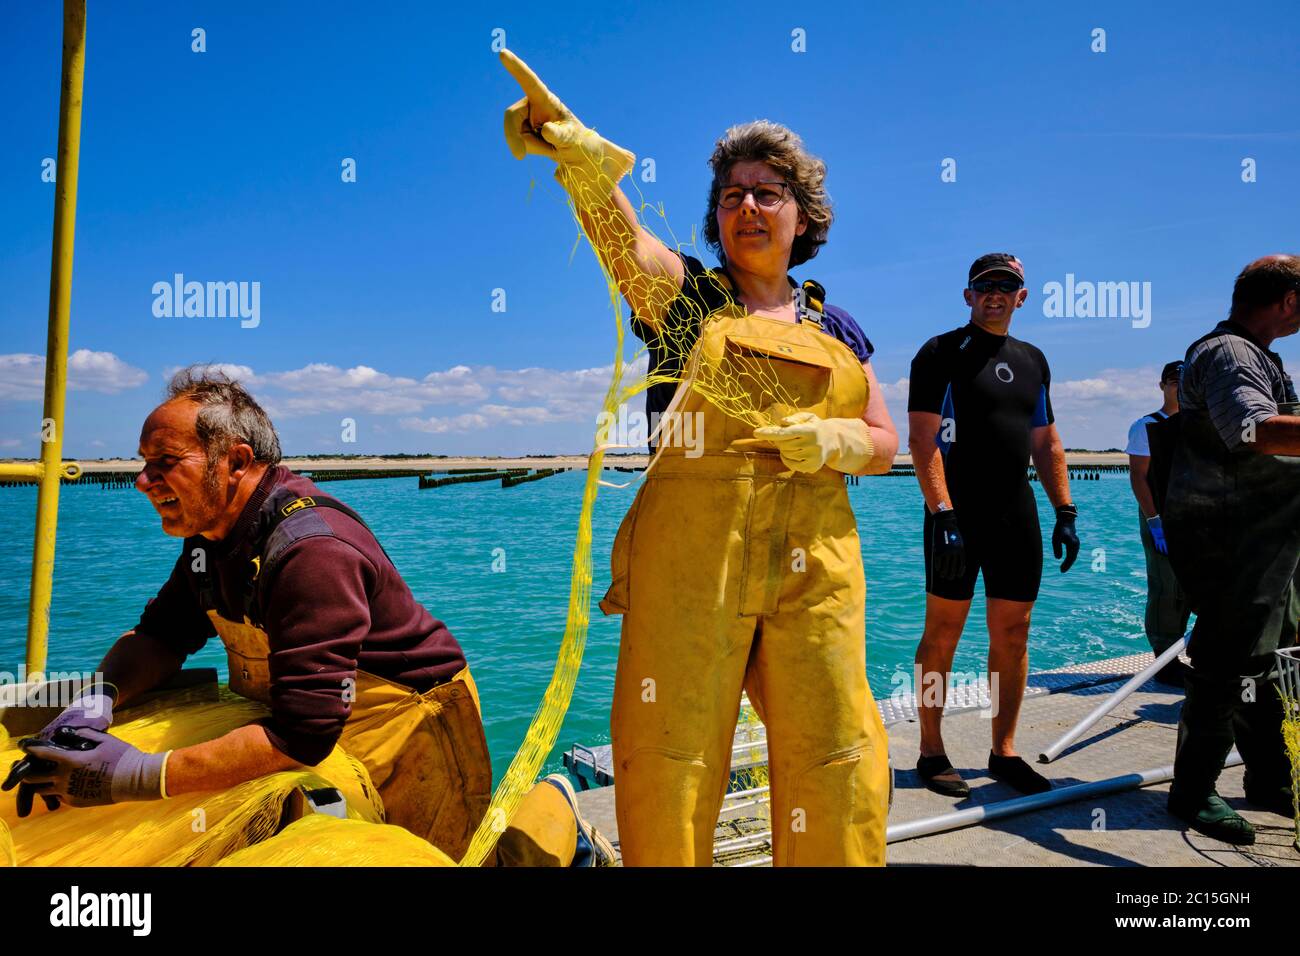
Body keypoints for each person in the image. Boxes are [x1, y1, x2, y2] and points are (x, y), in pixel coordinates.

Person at [501, 49, 896, 865]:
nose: (747, 206)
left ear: (803, 215)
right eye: (730, 195)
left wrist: (839, 440)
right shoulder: (687, 301)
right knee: (668, 760)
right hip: (693, 571)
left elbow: (887, 444)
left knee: (839, 756)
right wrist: (579, 157)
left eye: (767, 192)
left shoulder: (840, 329)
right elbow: (626, 244)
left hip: (814, 569)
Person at [3, 369, 607, 867]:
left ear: (235, 461)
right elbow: (161, 636)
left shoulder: (310, 553)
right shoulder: (210, 543)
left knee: (462, 864)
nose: (142, 482)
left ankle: (557, 811)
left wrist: (136, 774)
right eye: (143, 463)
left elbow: (301, 737)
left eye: (165, 462)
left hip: (402, 728)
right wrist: (101, 698)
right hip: (312, 729)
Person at [907, 254, 1080, 798]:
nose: (996, 295)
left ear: (1022, 297)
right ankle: (931, 752)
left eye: (1007, 287)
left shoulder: (1033, 360)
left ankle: (1003, 751)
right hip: (954, 515)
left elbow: (1046, 441)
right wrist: (944, 514)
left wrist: (1065, 511)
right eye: (985, 287)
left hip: (1015, 513)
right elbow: (922, 440)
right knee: (943, 633)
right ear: (968, 295)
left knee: (1014, 632)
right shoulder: (939, 353)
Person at [1162, 255, 1300, 846]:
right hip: (1226, 538)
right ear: (1289, 301)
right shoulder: (1230, 354)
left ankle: (1269, 779)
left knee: (1263, 660)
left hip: (1265, 538)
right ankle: (1192, 792)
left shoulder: (1259, 355)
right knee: (1224, 663)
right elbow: (1256, 430)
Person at [1124, 361, 1192, 686]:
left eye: (1185, 380)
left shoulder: (1200, 424)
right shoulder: (1146, 426)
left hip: (1196, 518)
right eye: (1173, 381)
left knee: (1196, 586)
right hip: (1160, 517)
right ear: (1162, 385)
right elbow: (1138, 477)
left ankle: (1192, 651)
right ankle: (1164, 661)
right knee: (1167, 587)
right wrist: (1154, 521)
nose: (1179, 386)